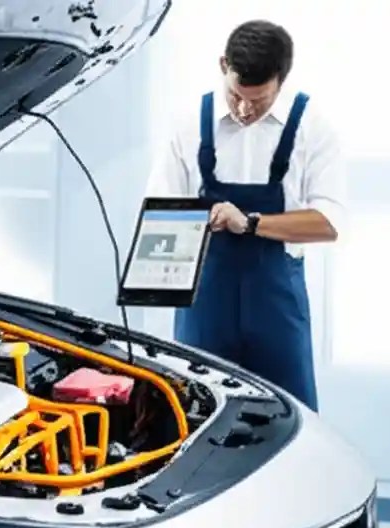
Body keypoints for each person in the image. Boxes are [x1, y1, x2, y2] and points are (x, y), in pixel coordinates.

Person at [145, 19, 347, 412]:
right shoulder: (188, 126)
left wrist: (250, 223)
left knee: (290, 417)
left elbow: (330, 222)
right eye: (237, 94)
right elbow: (158, 214)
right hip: (205, 301)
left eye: (259, 100)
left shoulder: (313, 129)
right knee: (195, 412)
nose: (244, 108)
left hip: (276, 305)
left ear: (281, 81)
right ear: (224, 65)